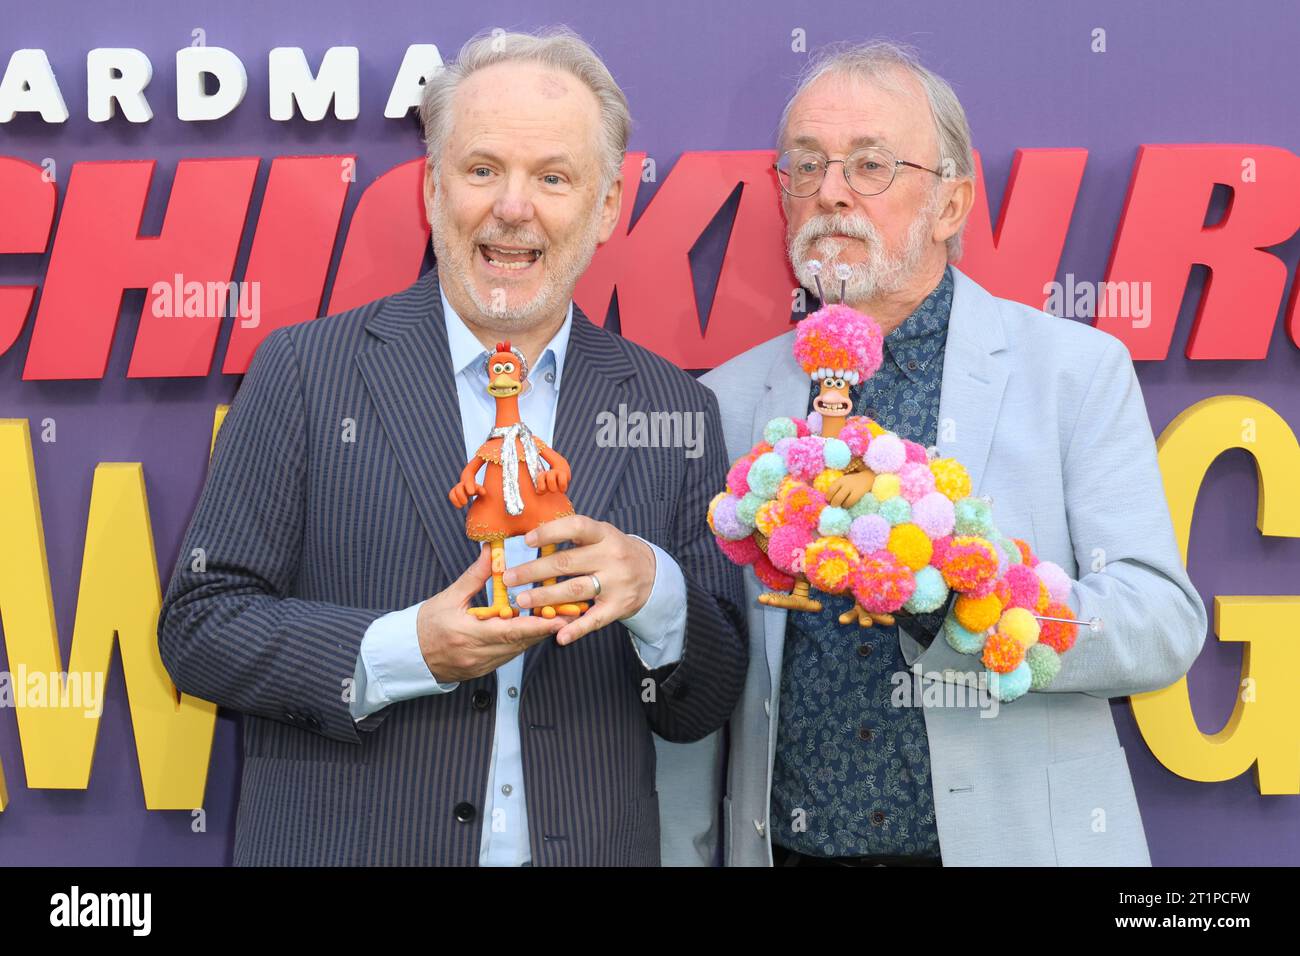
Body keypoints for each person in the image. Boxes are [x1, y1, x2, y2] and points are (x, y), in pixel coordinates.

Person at [157, 28, 746, 867]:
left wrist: (660, 595)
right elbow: (200, 626)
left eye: (552, 176)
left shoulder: (673, 406)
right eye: (481, 170)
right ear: (432, 190)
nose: (513, 207)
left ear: (608, 205)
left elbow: (702, 704)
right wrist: (407, 651)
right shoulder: (304, 370)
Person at [697, 39, 1207, 866]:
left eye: (870, 166)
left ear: (950, 205)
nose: (830, 194)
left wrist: (973, 596)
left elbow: (1160, 627)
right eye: (805, 166)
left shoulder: (1072, 373)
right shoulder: (724, 400)